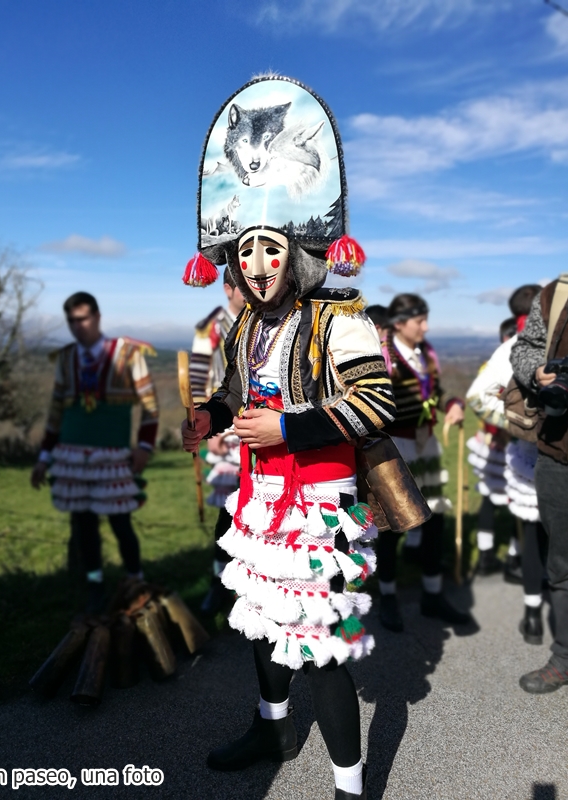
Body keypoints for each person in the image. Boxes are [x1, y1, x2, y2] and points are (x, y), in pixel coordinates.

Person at [182, 75, 399, 800]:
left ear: (296, 254)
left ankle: (348, 786)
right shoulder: (245, 324)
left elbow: (376, 405)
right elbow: (231, 394)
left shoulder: (343, 320)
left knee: (324, 653)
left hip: (321, 503)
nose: (255, 265)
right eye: (245, 253)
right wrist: (208, 418)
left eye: (269, 250)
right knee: (259, 624)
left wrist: (286, 425)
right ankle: (271, 729)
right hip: (258, 500)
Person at [31, 292, 159, 611]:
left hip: (112, 456)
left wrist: (143, 447)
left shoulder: (128, 354)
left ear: (98, 317)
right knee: (84, 524)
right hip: (71, 457)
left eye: (84, 318)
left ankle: (136, 579)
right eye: (72, 321)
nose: (78, 326)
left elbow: (150, 407)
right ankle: (94, 584)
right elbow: (55, 413)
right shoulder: (65, 358)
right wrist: (44, 458)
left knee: (120, 521)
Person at [377, 293, 470, 632]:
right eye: (420, 321)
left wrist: (454, 403)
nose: (426, 327)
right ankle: (387, 596)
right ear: (400, 323)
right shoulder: (383, 355)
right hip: (394, 448)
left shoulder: (425, 353)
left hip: (426, 445)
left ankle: (432, 594)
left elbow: (437, 391)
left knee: (433, 521)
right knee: (393, 525)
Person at [466, 285, 546, 645]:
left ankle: (534, 613)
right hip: (533, 453)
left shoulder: (513, 345)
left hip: (533, 451)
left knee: (535, 535)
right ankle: (534, 612)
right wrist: (521, 424)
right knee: (534, 533)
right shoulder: (515, 346)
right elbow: (476, 398)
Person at [511, 274, 568, 692]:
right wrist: (539, 373)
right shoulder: (556, 292)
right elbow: (526, 348)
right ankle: (565, 658)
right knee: (562, 567)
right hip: (558, 451)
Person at [189, 268, 246, 613]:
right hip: (223, 427)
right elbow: (197, 383)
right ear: (227, 289)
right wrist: (206, 429)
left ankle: (258, 584)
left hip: (262, 425)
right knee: (228, 513)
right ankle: (219, 584)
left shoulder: (262, 320)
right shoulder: (210, 328)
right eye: (241, 284)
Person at [466, 317, 516, 579]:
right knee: (516, 501)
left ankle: (492, 555)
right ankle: (510, 557)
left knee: (492, 498)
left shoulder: (490, 367)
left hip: (492, 439)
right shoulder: (507, 368)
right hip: (507, 441)